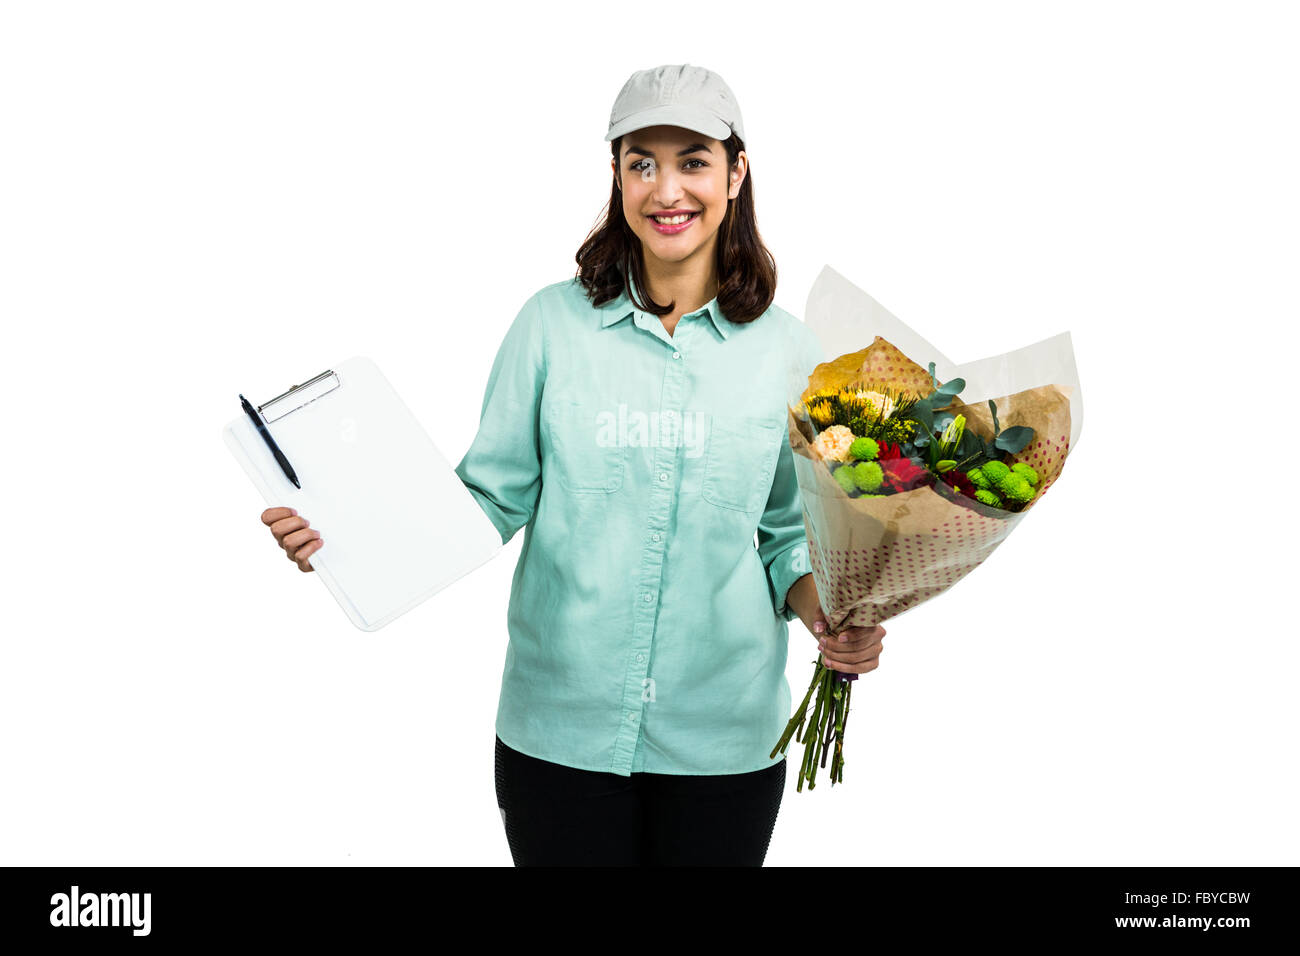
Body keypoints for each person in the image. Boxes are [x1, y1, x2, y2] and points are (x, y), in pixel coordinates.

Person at [260, 63, 885, 866]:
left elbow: (786, 535)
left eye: (693, 159)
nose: (668, 190)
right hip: (560, 736)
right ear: (618, 176)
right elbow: (487, 498)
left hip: (723, 740)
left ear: (735, 173)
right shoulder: (549, 327)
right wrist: (342, 537)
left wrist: (830, 617)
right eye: (641, 162)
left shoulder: (793, 353)